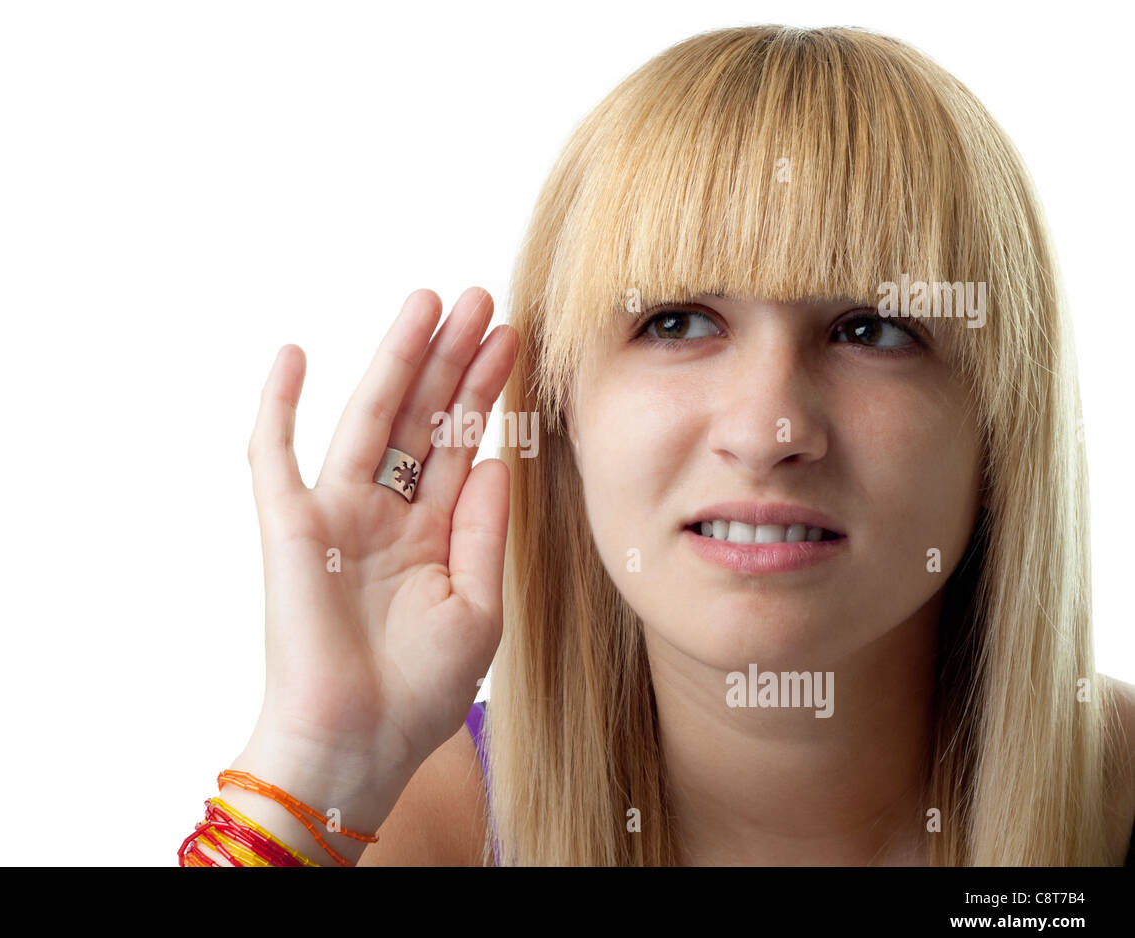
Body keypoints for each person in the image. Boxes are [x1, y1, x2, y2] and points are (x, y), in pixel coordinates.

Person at [180, 24, 1135, 867]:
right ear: (563, 415)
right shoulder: (407, 825)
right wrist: (316, 770)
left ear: (1002, 429)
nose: (765, 432)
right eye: (676, 323)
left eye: (872, 329)